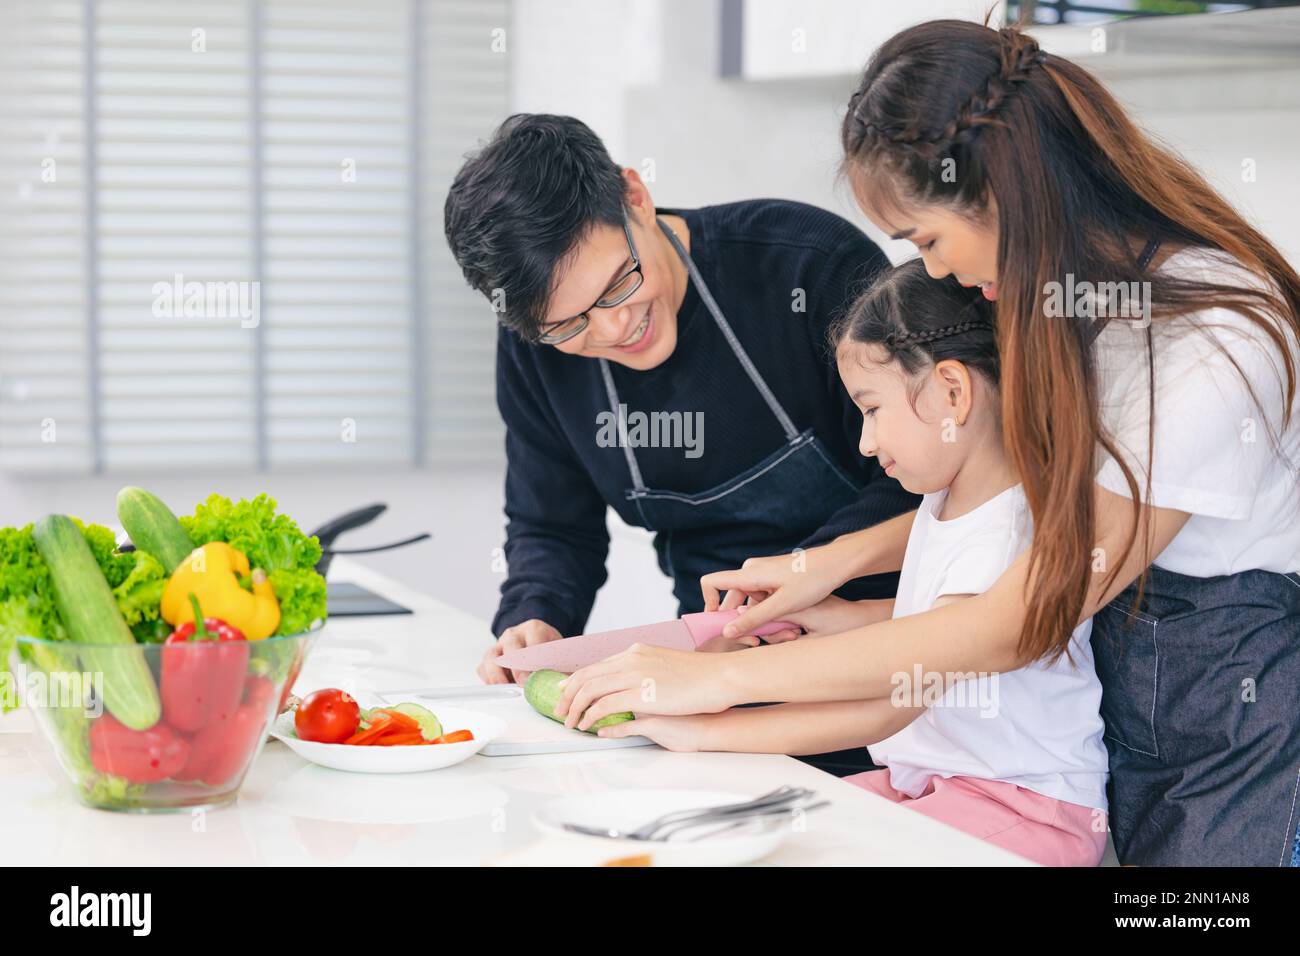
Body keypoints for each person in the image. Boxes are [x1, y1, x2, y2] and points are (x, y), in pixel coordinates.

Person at [554, 20, 1300, 867]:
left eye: (927, 241)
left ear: (1005, 194)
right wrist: (831, 562)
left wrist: (718, 681)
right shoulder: (1064, 302)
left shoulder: (1210, 341)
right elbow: (1035, 506)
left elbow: (1025, 616)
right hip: (1122, 677)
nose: (935, 275)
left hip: (1221, 702)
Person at [598, 260, 1110, 866]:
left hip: (1023, 812)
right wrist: (835, 618)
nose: (864, 443)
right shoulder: (948, 499)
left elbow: (890, 701)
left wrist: (705, 728)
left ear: (953, 391)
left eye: (870, 408)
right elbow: (926, 625)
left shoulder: (1004, 528)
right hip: (933, 785)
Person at [444, 115, 919, 714]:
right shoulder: (533, 349)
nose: (614, 329)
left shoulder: (806, 265)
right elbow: (552, 524)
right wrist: (536, 617)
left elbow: (935, 473)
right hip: (710, 671)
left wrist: (790, 586)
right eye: (568, 325)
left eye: (618, 283)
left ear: (635, 198)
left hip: (887, 658)